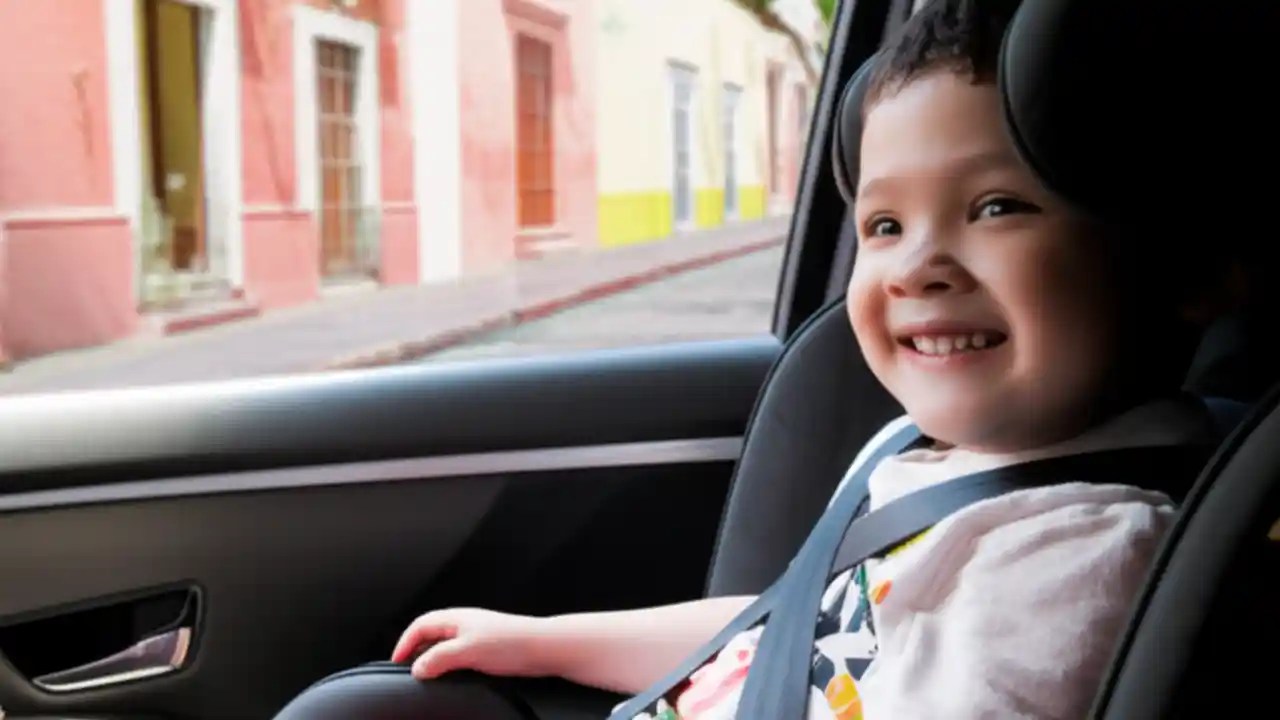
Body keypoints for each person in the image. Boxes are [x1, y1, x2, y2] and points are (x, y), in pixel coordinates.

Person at [388, 1, 1241, 717]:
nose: (916, 266)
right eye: (885, 226)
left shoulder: (1075, 560)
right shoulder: (912, 450)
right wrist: (546, 642)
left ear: (1188, 265)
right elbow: (784, 629)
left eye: (996, 205)